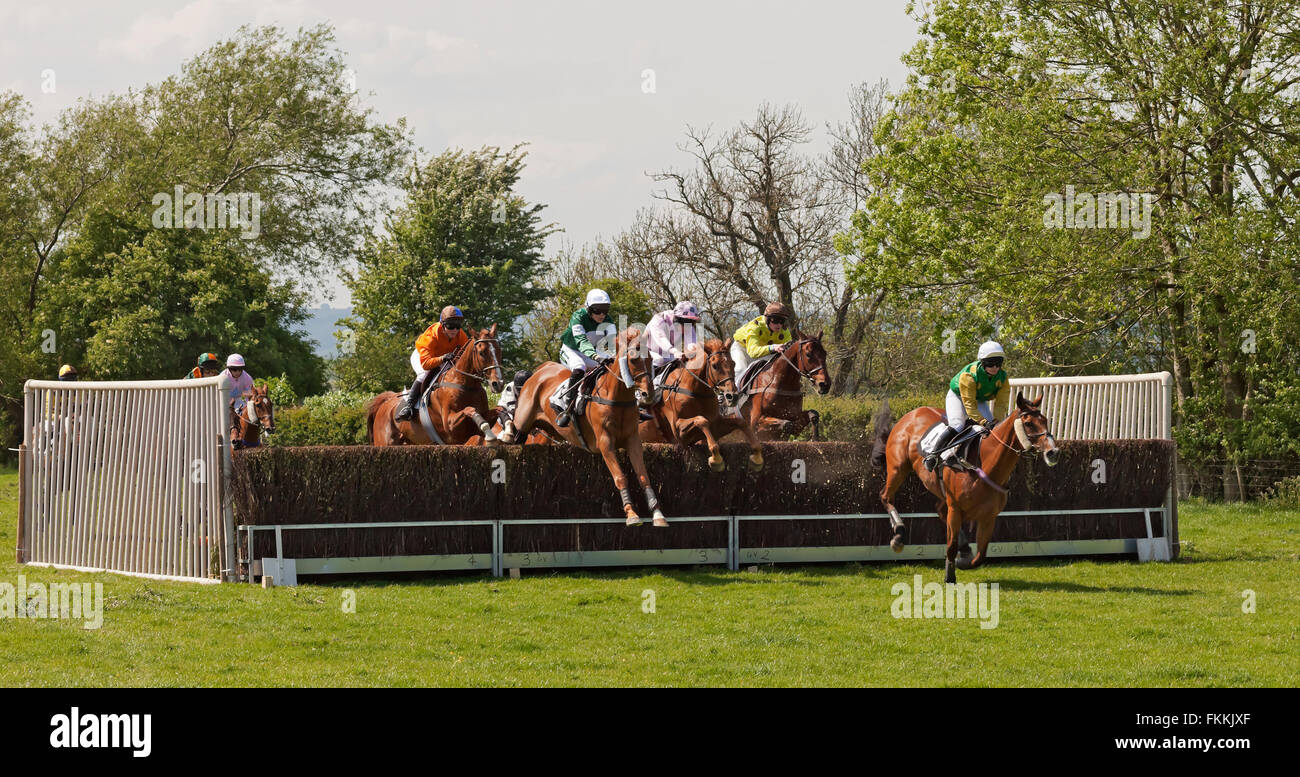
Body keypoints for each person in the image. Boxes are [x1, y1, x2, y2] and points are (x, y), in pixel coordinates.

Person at [926, 340, 1011, 471]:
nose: (995, 367)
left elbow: (1002, 404)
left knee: (992, 429)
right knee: (958, 425)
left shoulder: (1003, 378)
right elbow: (970, 406)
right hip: (958, 396)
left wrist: (996, 421)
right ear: (982, 362)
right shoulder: (969, 375)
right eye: (990, 363)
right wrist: (983, 421)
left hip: (979, 398)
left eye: (998, 363)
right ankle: (933, 454)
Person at [555, 289, 617, 428]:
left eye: (605, 310)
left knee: (612, 367)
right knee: (579, 367)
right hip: (571, 350)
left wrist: (614, 357)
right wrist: (596, 356)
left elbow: (613, 343)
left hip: (592, 352)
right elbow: (581, 341)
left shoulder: (608, 320)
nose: (602, 314)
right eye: (597, 310)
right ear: (588, 309)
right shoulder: (578, 317)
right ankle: (568, 406)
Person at [396, 305, 470, 421]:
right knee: (424, 374)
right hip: (422, 357)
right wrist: (442, 358)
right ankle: (408, 406)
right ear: (443, 325)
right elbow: (426, 364)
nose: (455, 330)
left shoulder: (461, 335)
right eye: (451, 326)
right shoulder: (431, 336)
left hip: (445, 357)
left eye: (457, 326)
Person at [730, 302, 794, 382]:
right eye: (775, 320)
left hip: (763, 351)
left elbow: (789, 353)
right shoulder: (755, 327)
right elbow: (753, 353)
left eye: (782, 321)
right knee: (740, 369)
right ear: (767, 319)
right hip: (742, 349)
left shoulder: (784, 331)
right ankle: (734, 393)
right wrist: (773, 347)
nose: (779, 325)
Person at [646, 301, 701, 387]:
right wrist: (675, 351)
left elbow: (691, 344)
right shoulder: (659, 319)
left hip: (669, 354)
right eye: (686, 323)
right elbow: (661, 338)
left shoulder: (687, 325)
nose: (688, 327)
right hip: (648, 352)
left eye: (691, 323)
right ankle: (645, 389)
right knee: (659, 359)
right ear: (677, 319)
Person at [219, 353, 255, 419]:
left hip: (239, 401)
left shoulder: (247, 378)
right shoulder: (223, 377)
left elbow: (250, 395)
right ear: (229, 369)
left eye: (240, 369)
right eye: (234, 369)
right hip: (224, 402)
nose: (237, 372)